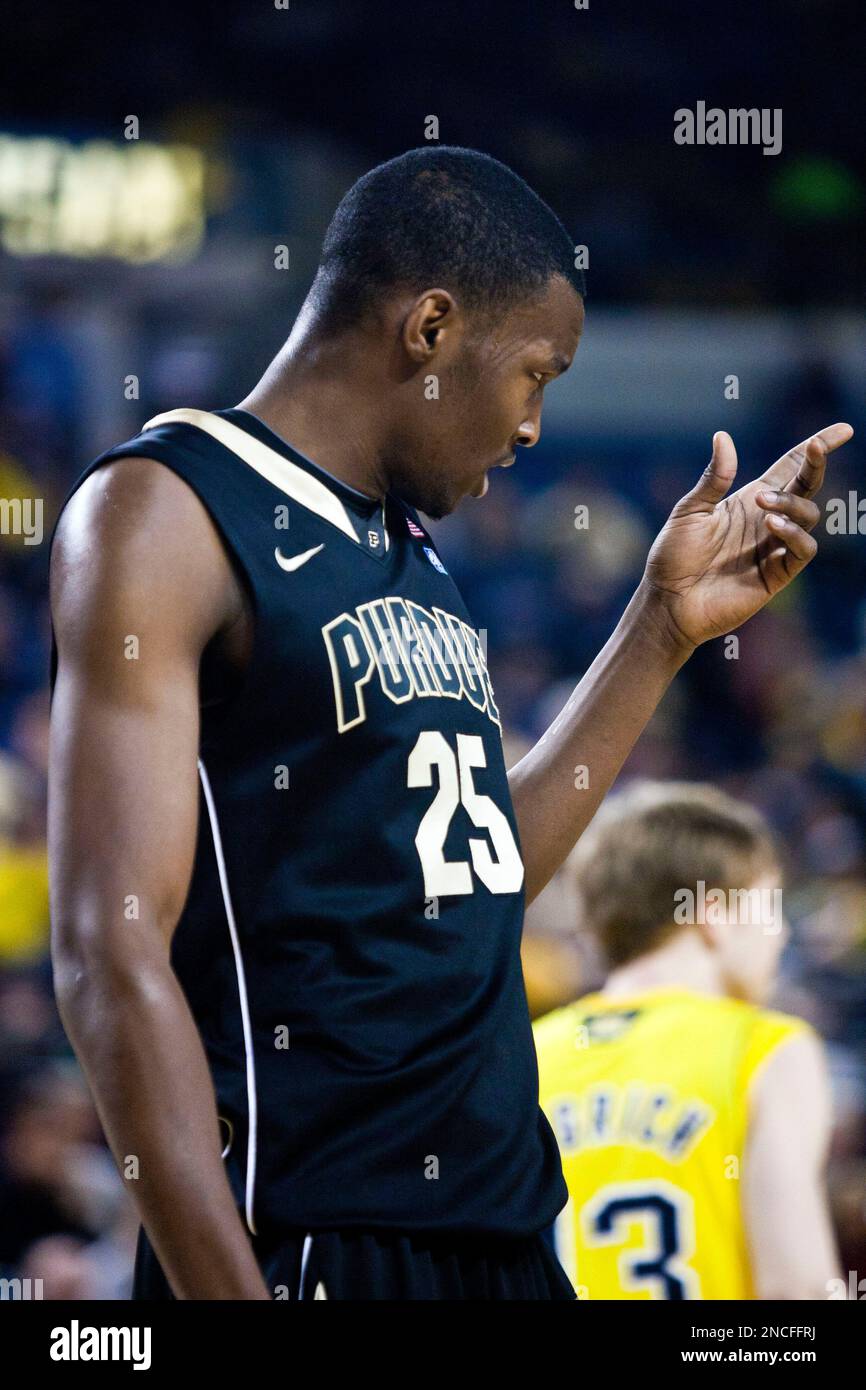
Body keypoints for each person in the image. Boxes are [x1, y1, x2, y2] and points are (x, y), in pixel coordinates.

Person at [48, 145, 852, 1300]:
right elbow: (107, 949)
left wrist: (658, 630)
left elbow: (476, 880)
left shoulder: (412, 551)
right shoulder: (163, 510)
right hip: (316, 1232)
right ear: (428, 329)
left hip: (505, 1231)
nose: (532, 425)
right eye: (536, 373)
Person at [534, 781, 840, 1300]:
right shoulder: (767, 1049)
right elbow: (801, 1292)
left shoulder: (527, 1057)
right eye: (769, 905)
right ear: (713, 913)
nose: (780, 933)